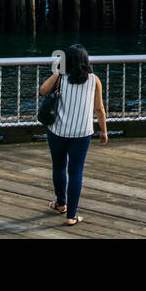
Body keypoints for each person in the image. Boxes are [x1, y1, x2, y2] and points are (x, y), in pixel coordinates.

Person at [38, 44, 108, 226]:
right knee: (76, 171)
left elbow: (43, 91)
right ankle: (72, 215)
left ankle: (61, 203)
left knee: (59, 167)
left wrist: (58, 72)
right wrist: (104, 131)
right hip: (82, 133)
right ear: (86, 61)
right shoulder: (94, 80)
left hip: (58, 131)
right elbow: (99, 109)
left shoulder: (60, 77)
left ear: (66, 60)